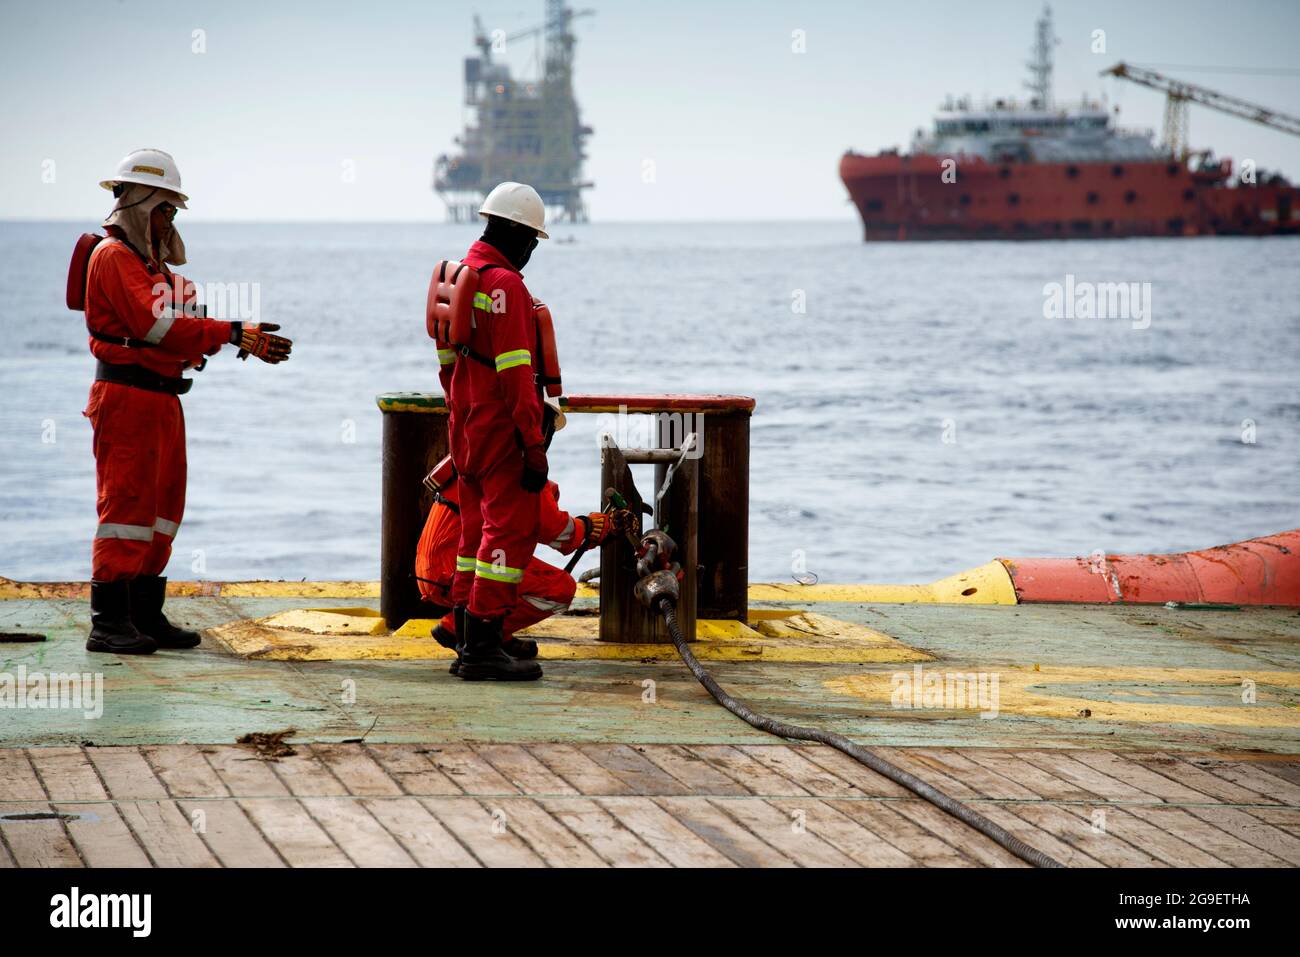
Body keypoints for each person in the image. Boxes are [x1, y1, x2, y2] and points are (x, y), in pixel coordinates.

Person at [82, 148, 293, 655]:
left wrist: (221, 335)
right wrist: (230, 332)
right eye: (164, 209)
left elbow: (185, 315)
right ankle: (108, 623)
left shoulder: (147, 265)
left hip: (161, 399)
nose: (170, 220)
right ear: (138, 204)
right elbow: (159, 325)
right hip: (128, 399)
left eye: (174, 211)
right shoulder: (113, 258)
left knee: (161, 509)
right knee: (127, 507)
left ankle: (143, 613)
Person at [440, 181, 558, 681]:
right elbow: (515, 373)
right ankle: (484, 648)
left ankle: (468, 638)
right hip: (501, 432)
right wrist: (533, 445)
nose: (532, 249)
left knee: (472, 539)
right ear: (510, 231)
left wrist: (465, 414)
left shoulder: (462, 275)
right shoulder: (506, 286)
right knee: (504, 539)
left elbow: (448, 366)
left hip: (466, 428)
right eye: (530, 239)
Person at [415, 399, 614, 676]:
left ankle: (489, 637)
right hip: (454, 570)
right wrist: (587, 527)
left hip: (437, 568)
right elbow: (554, 531)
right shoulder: (514, 464)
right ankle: (466, 633)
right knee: (559, 589)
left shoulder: (478, 449)